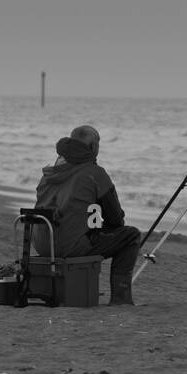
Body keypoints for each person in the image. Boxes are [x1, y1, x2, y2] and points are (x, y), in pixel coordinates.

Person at [31, 125, 141, 306]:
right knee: (131, 235)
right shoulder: (95, 173)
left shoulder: (50, 172)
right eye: (97, 144)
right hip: (69, 246)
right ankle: (121, 299)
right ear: (92, 147)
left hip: (42, 244)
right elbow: (115, 219)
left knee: (92, 229)